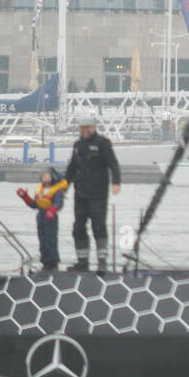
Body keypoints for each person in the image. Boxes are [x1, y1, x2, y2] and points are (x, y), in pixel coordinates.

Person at [64, 112, 121, 272]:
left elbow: (113, 164)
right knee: (78, 227)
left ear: (93, 127)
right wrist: (63, 187)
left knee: (99, 227)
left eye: (87, 127)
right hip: (80, 194)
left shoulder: (103, 143)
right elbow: (71, 169)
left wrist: (116, 182)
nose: (84, 130)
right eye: (82, 128)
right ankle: (82, 262)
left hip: (98, 194)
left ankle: (102, 262)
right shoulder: (78, 145)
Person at [17, 168, 68, 272]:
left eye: (47, 176)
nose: (45, 178)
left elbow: (59, 203)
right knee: (42, 239)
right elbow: (34, 204)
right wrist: (24, 197)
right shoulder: (39, 189)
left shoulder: (57, 190)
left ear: (52, 177)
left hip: (51, 217)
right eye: (43, 176)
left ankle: (53, 263)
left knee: (50, 239)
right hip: (41, 215)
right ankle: (45, 262)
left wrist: (52, 210)